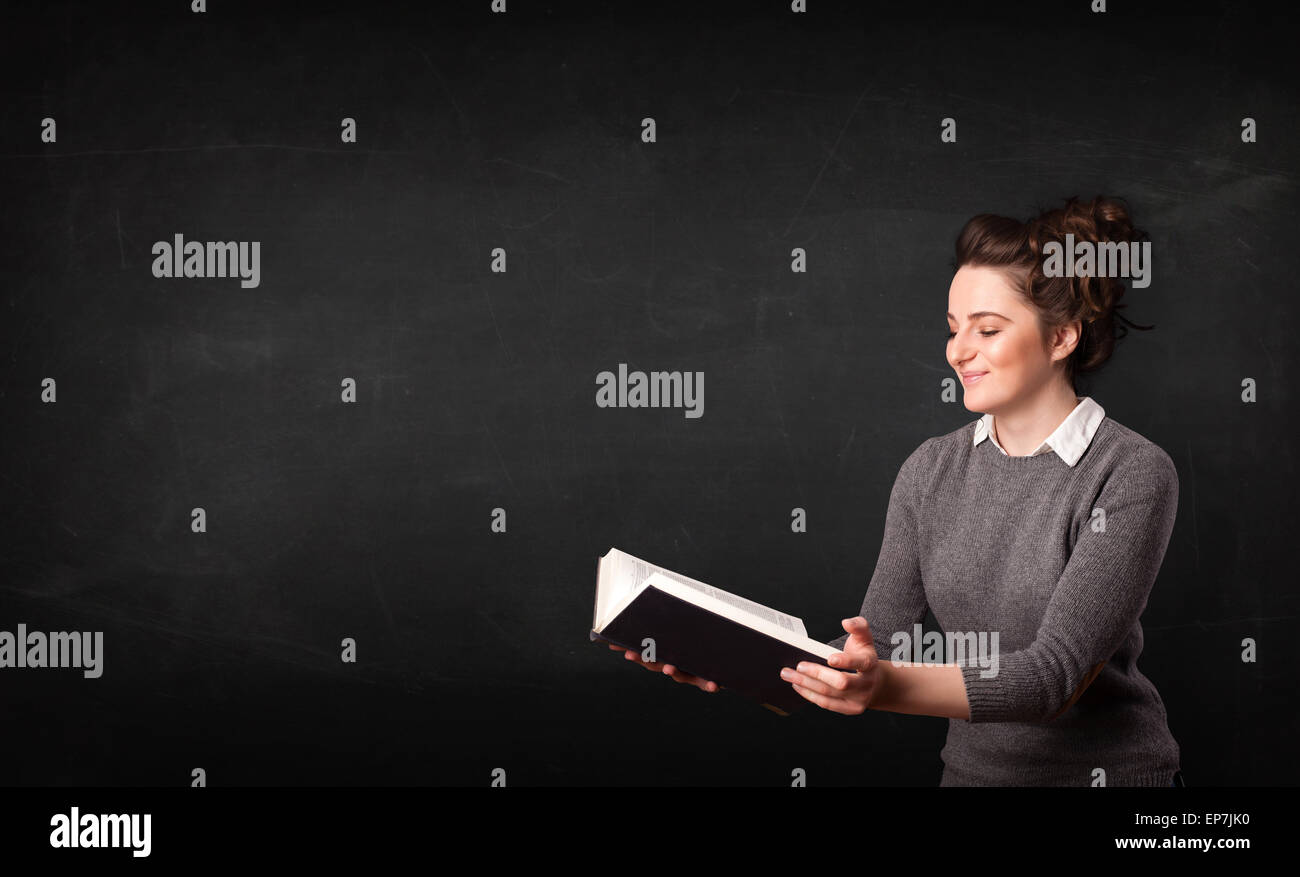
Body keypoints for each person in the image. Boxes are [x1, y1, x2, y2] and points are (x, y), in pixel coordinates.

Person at [611, 196, 1184, 786]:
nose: (958, 351)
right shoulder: (930, 469)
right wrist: (725, 656)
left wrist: (880, 686)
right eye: (953, 328)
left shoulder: (1131, 471)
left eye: (987, 329)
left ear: (1061, 338)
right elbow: (878, 643)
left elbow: (1052, 679)